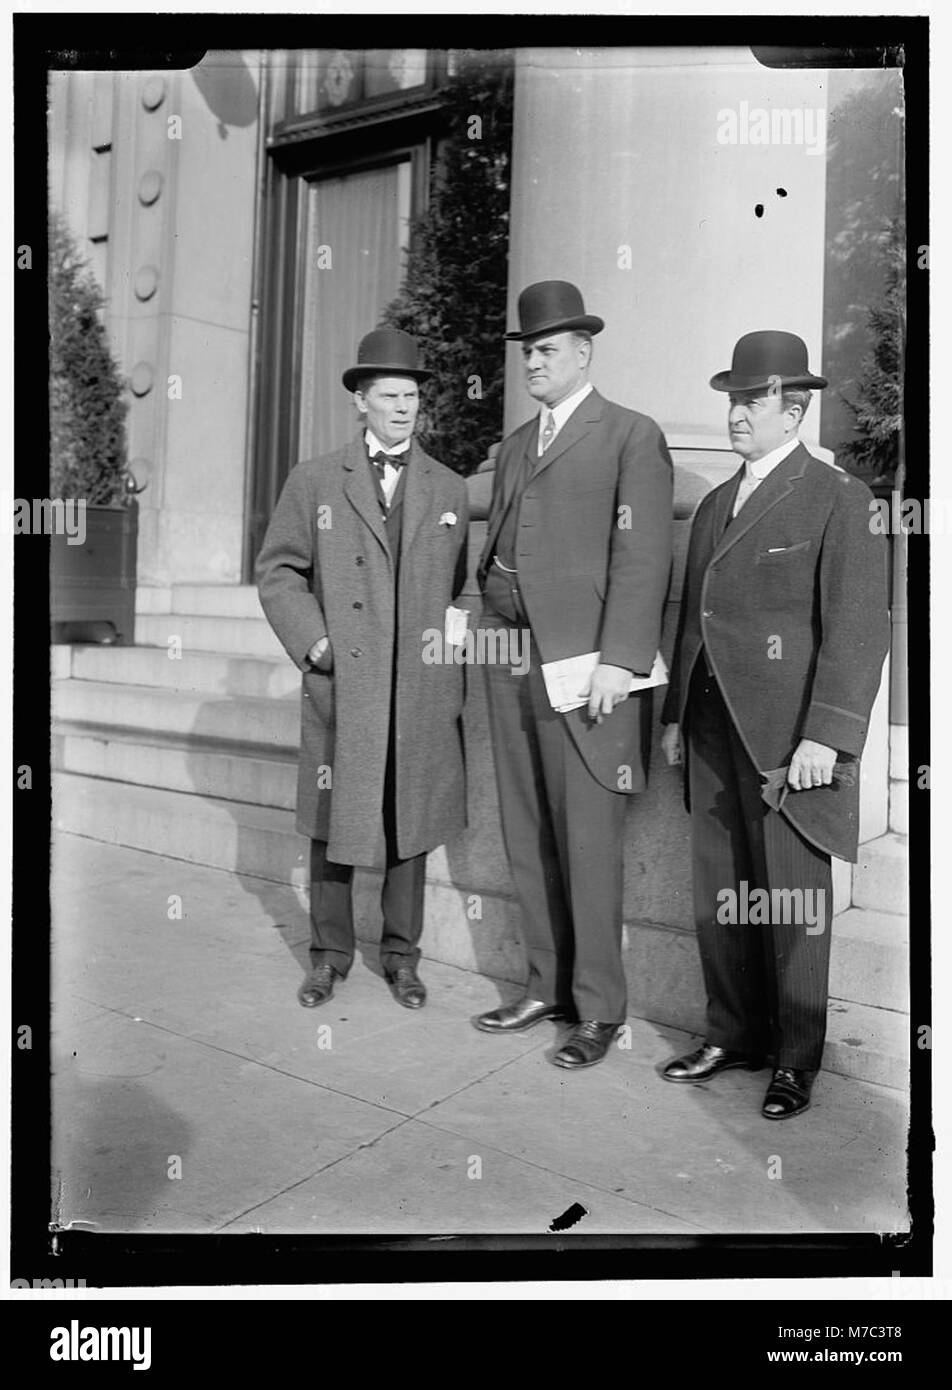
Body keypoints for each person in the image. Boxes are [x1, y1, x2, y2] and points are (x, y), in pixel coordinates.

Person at [659, 330, 890, 1119]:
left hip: (790, 742)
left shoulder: (839, 498)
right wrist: (673, 717)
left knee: (792, 899)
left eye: (751, 400)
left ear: (793, 410)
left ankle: (795, 1059)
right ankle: (731, 1034)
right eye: (731, 397)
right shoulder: (718, 503)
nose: (735, 413)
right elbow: (695, 620)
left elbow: (858, 628)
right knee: (718, 893)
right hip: (713, 732)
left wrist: (827, 736)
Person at [474, 280, 673, 1069]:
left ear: (583, 353)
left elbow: (644, 555)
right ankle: (544, 985)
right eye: (528, 350)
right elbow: (495, 543)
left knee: (588, 841)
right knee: (526, 829)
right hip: (512, 659)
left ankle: (598, 1012)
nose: (532, 361)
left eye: (546, 349)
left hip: (587, 669)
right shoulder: (520, 443)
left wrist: (620, 660)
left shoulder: (630, 434)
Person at [256, 328, 468, 1011]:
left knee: (410, 824)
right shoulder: (316, 479)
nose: (403, 409)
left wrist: (451, 648)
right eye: (389, 396)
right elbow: (278, 570)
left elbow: (465, 586)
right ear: (360, 400)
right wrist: (315, 645)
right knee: (334, 824)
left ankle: (402, 959)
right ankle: (328, 956)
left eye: (411, 396)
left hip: (417, 690)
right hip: (344, 684)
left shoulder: (449, 487)